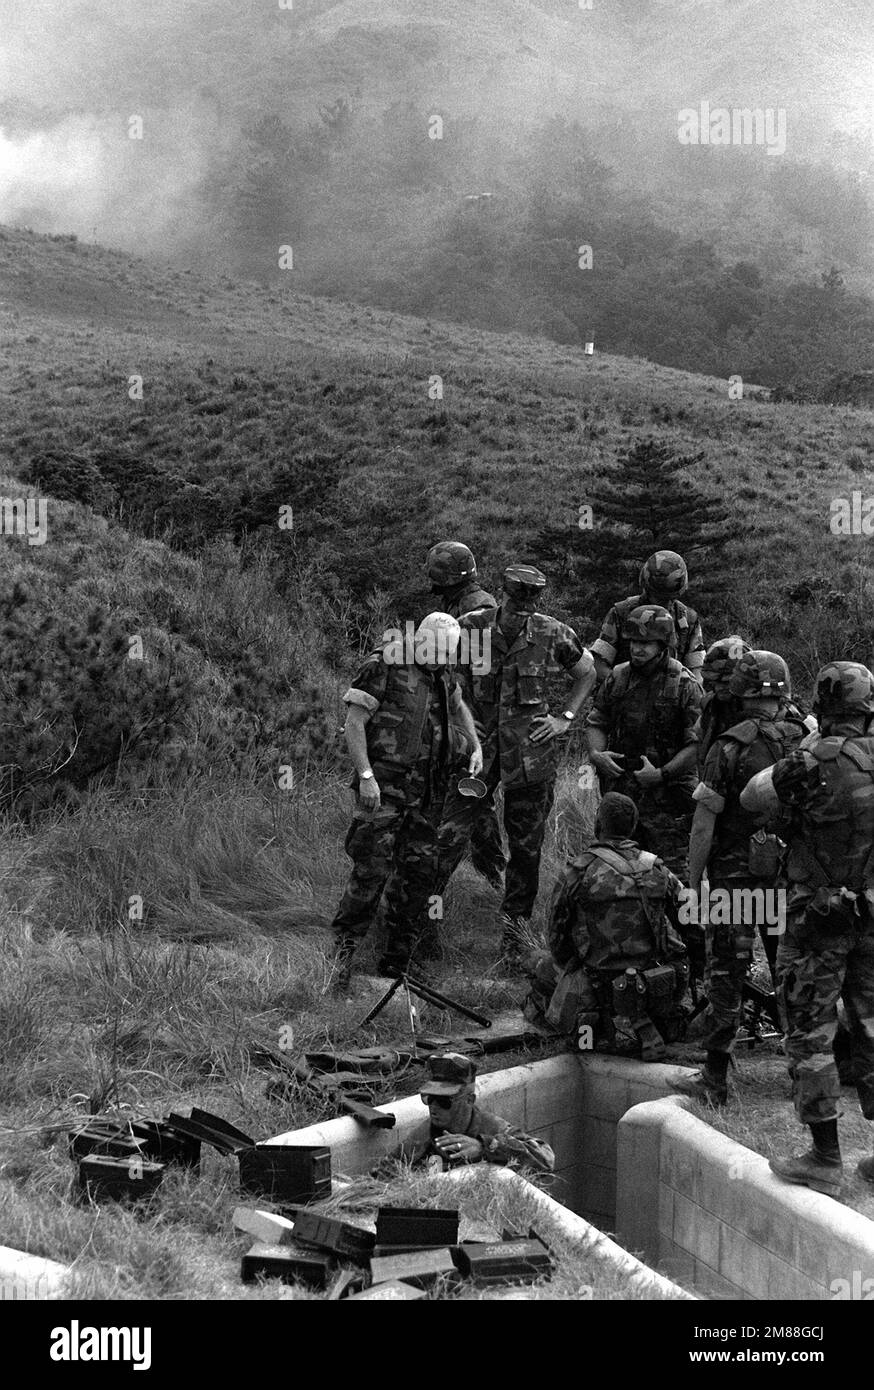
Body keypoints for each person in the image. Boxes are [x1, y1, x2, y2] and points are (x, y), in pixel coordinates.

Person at [739, 661, 874, 1195]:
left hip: (817, 920)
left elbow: (753, 797)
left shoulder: (808, 761)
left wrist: (814, 740)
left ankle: (824, 1156)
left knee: (810, 1028)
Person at [437, 565, 596, 965]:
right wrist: (454, 723)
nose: (521, 609)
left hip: (530, 753)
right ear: (502, 595)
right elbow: (441, 676)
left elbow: (587, 672)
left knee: (526, 851)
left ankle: (514, 940)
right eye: (515, 601)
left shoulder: (552, 632)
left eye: (529, 604)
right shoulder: (470, 628)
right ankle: (423, 928)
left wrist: (565, 718)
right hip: (477, 752)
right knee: (450, 834)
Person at [673, 651, 807, 1106]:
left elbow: (703, 823)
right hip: (792, 880)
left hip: (738, 883)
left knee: (726, 974)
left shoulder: (730, 746)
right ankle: (805, 1078)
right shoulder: (809, 741)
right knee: (792, 976)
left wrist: (692, 883)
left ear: (742, 689)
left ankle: (714, 1079)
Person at [329, 612, 482, 988]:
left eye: (450, 653)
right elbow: (354, 724)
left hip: (428, 795)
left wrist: (475, 745)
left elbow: (458, 704)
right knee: (371, 871)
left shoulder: (443, 672)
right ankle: (340, 962)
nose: (443, 659)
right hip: (384, 790)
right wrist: (366, 777)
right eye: (438, 652)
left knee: (418, 877)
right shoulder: (384, 664)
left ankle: (397, 965)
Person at [525, 793, 688, 1061]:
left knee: (540, 967)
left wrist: (575, 963)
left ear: (598, 824)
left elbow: (556, 937)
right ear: (634, 826)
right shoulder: (658, 869)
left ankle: (585, 1032)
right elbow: (691, 925)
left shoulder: (580, 870)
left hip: (600, 982)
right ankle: (650, 1021)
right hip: (657, 980)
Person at [585, 605, 702, 877]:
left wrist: (661, 774)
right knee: (612, 872)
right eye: (634, 641)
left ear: (663, 644)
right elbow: (597, 721)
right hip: (621, 795)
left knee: (672, 878)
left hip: (669, 801)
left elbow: (696, 744)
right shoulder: (618, 676)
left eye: (646, 643)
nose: (638, 649)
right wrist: (596, 754)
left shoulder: (684, 683)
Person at [427, 541, 504, 897]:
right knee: (479, 802)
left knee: (459, 805)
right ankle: (493, 879)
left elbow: (479, 674)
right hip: (468, 719)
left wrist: (468, 726)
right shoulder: (461, 603)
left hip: (477, 724)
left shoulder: (478, 609)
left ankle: (430, 889)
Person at [397, 1052, 555, 1174]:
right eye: (429, 1098)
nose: (434, 1107)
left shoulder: (492, 1127)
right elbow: (382, 1174)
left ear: (469, 1100)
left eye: (444, 1101)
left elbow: (546, 1159)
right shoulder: (422, 1136)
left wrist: (485, 1147)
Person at [590, 550, 706, 685]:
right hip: (624, 696)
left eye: (669, 598)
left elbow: (696, 672)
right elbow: (598, 665)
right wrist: (622, 687)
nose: (663, 603)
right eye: (657, 597)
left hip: (670, 697)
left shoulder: (687, 620)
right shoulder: (622, 613)